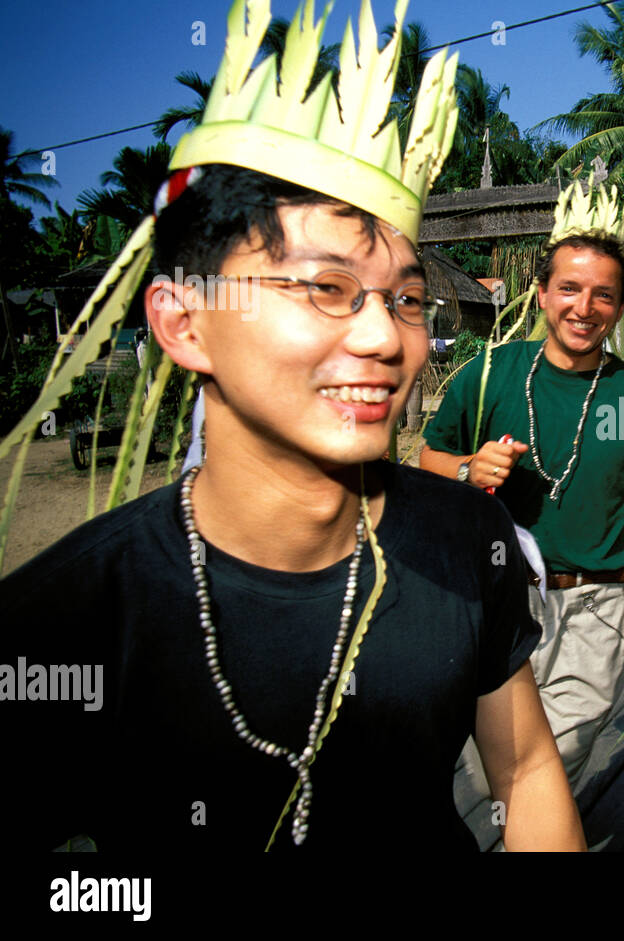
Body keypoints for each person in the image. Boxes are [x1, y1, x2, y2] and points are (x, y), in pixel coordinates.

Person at [0, 0, 582, 852]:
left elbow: (527, 767)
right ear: (184, 322)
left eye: (406, 299)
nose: (387, 337)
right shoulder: (66, 619)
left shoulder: (469, 539)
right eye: (325, 286)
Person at [420, 207, 624, 786]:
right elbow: (428, 461)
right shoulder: (489, 373)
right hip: (493, 601)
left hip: (595, 608)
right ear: (541, 293)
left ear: (618, 308)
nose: (583, 308)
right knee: (483, 772)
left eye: (603, 295)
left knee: (548, 771)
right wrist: (469, 467)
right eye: (568, 288)